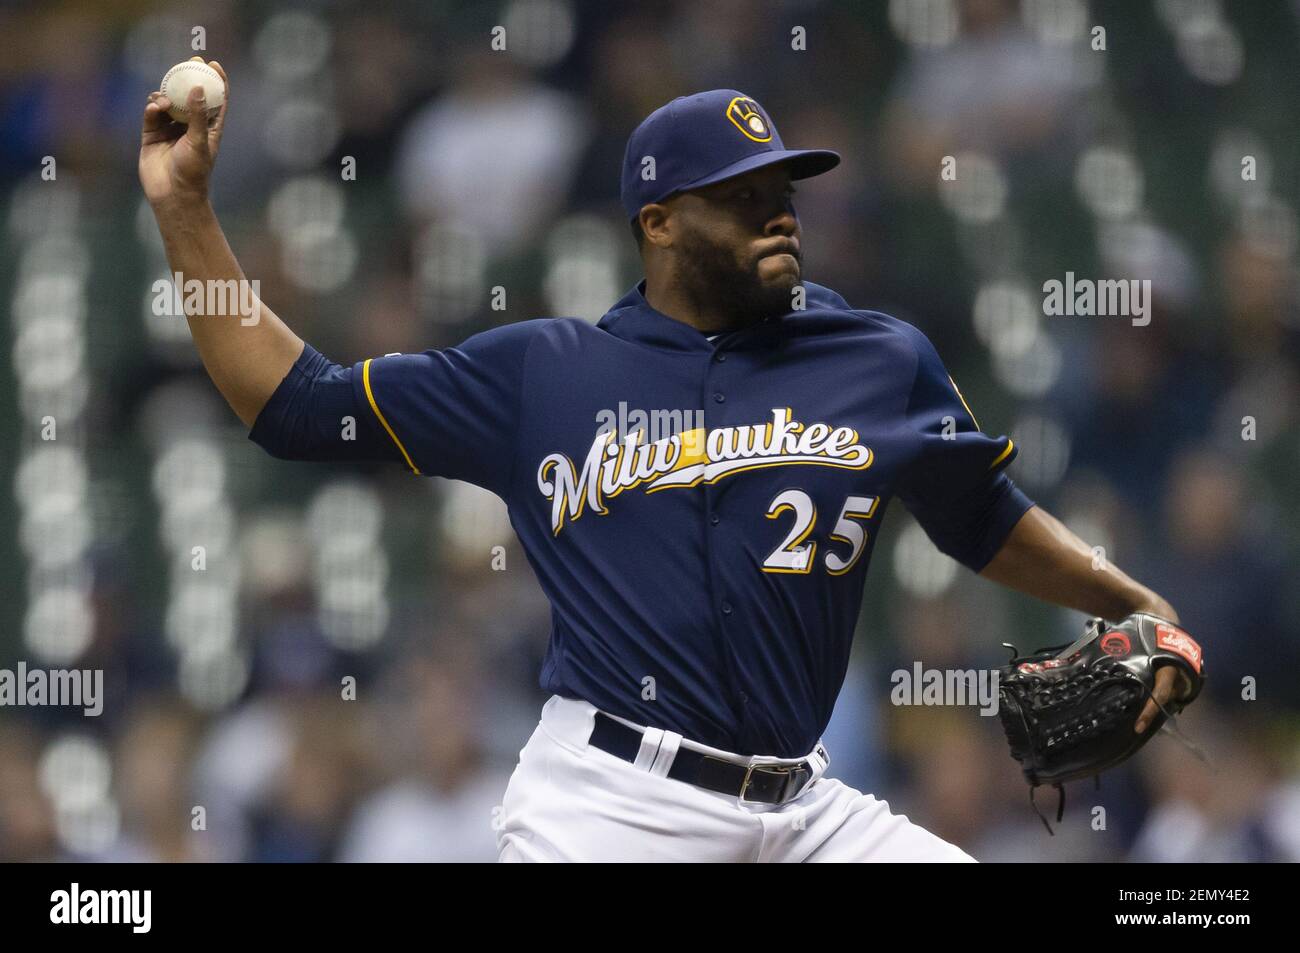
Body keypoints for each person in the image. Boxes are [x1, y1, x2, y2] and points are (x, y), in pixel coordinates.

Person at [140, 60, 1196, 862]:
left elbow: (984, 518)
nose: (779, 212)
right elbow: (293, 404)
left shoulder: (876, 357)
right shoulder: (545, 373)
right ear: (657, 221)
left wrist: (1129, 594)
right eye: (741, 197)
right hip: (611, 806)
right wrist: (184, 209)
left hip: (804, 810)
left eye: (784, 188)